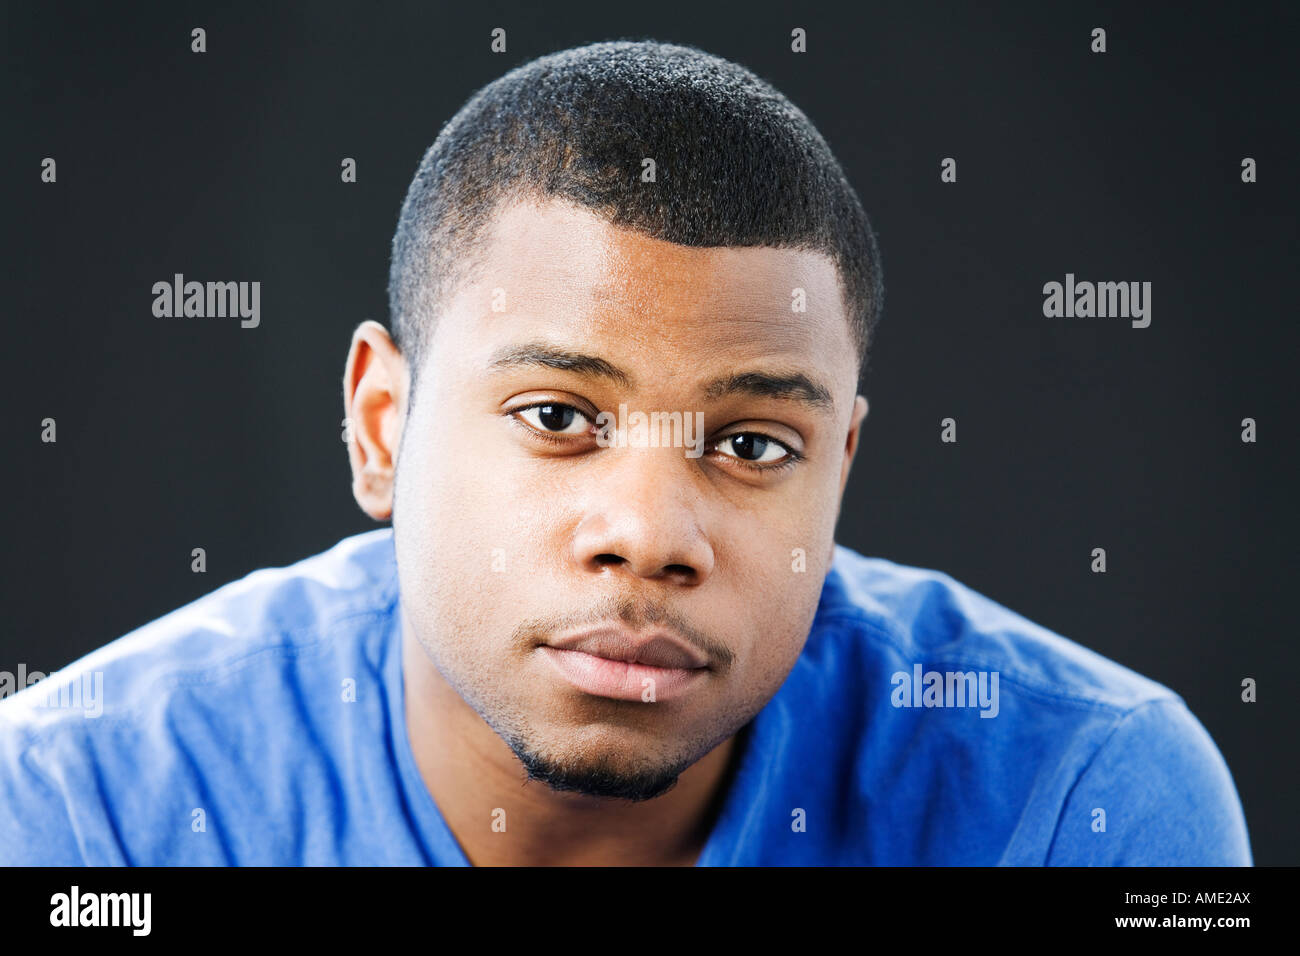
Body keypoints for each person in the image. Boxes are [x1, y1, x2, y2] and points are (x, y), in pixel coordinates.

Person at [0, 40, 1250, 866]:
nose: (648, 533)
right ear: (383, 427)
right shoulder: (84, 806)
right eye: (557, 418)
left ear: (842, 470)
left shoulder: (1089, 797)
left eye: (754, 441)